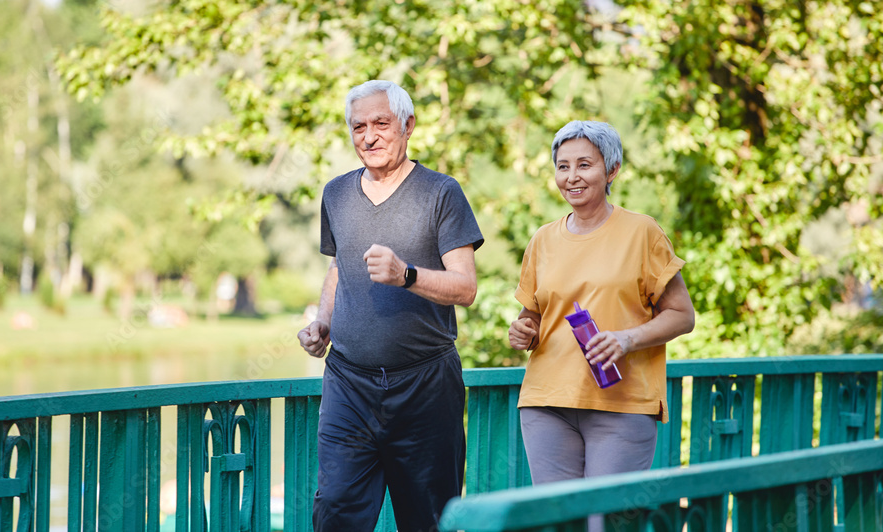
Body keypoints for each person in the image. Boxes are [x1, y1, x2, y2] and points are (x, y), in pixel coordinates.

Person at [297, 80, 484, 532]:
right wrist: (323, 321)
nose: (369, 136)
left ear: (408, 125)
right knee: (335, 510)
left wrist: (407, 275)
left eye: (381, 123)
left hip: (425, 385)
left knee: (428, 519)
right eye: (358, 127)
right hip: (348, 382)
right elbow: (339, 268)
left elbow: (466, 287)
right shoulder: (336, 194)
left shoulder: (441, 192)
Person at [508, 121, 695, 500]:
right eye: (563, 166)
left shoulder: (643, 232)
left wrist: (626, 340)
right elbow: (535, 315)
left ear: (612, 170)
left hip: (621, 404)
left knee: (605, 521)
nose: (572, 177)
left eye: (584, 165)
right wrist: (523, 329)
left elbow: (682, 315)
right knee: (559, 522)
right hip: (547, 402)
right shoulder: (542, 239)